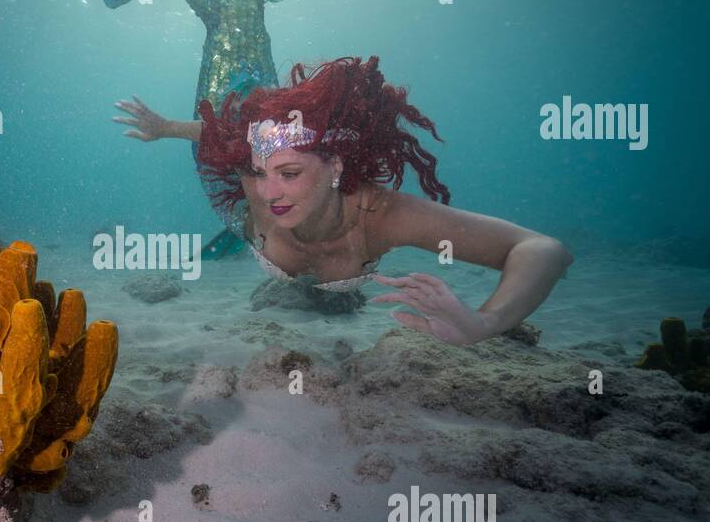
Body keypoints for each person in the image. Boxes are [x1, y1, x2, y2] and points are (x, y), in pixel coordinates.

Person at [113, 55, 573, 346]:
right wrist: (166, 128)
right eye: (258, 171)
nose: (269, 192)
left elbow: (543, 251)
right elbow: (225, 134)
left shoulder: (381, 216)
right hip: (238, 221)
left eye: (289, 173)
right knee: (238, 125)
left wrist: (484, 323)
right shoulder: (252, 187)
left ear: (335, 166)